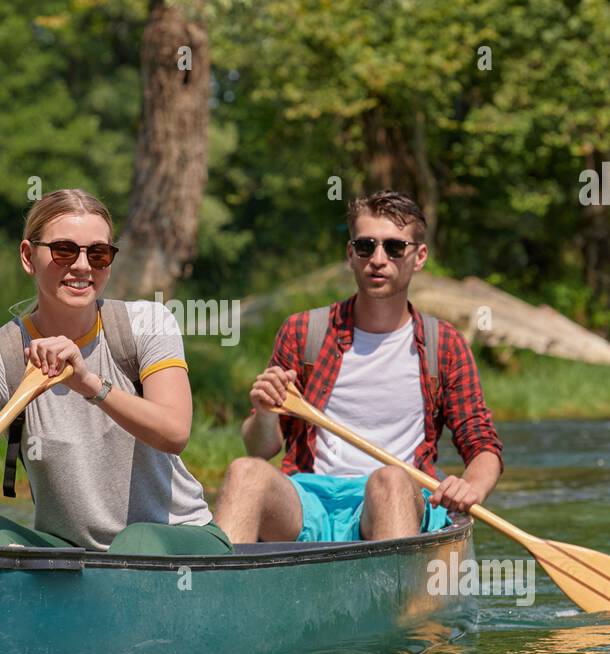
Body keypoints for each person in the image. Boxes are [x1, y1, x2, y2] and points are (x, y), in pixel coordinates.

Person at [0, 188, 231, 555]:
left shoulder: (149, 323)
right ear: (28, 257)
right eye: (64, 251)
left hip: (178, 539)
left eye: (98, 254)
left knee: (136, 543)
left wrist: (88, 383)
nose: (83, 266)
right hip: (73, 556)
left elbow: (174, 432)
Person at [215, 190, 503, 544]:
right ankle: (219, 591)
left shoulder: (444, 344)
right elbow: (260, 449)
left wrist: (470, 487)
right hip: (309, 499)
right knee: (245, 472)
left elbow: (482, 444)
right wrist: (264, 413)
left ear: (419, 256)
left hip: (396, 497)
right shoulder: (304, 332)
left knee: (390, 480)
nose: (378, 259)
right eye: (366, 246)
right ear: (351, 255)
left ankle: (395, 596)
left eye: (395, 248)